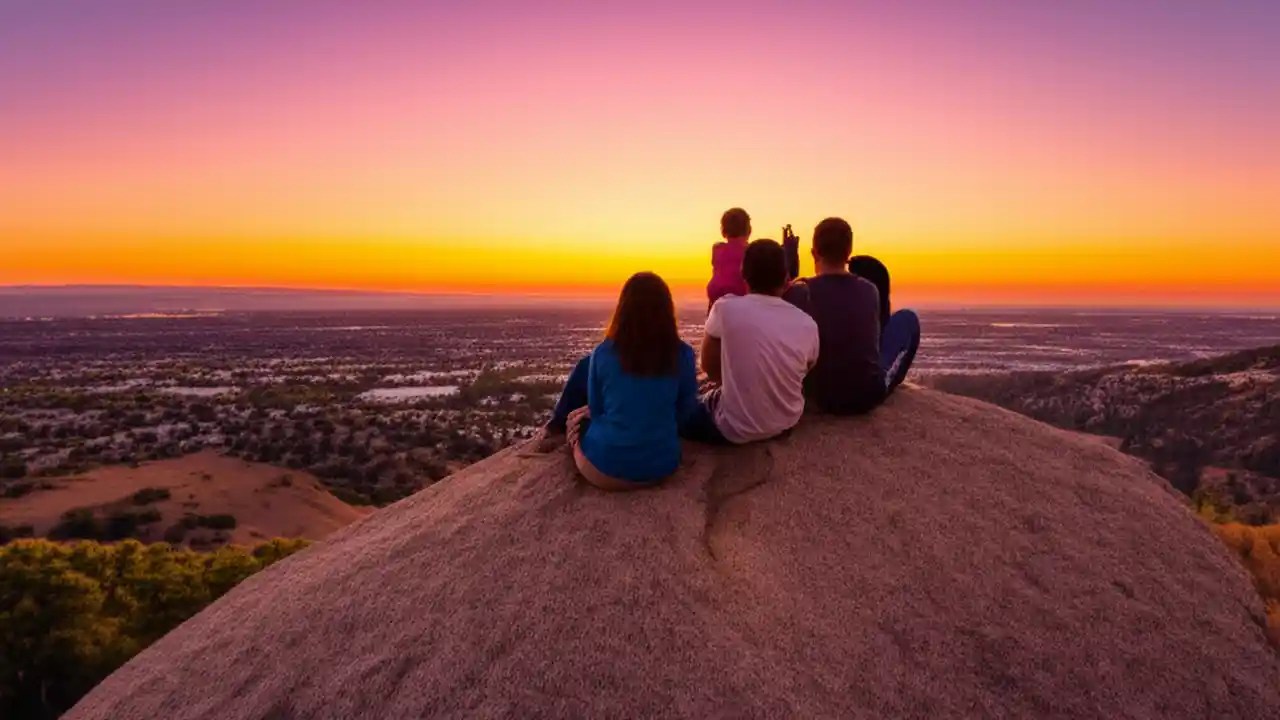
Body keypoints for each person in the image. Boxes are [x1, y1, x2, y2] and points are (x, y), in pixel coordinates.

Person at [539, 272, 699, 490]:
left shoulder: (602, 354)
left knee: (576, 425)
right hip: (661, 467)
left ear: (622, 310)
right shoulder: (683, 354)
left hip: (604, 470)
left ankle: (563, 434)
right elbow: (686, 411)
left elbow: (597, 410)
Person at [682, 239, 819, 444]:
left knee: (683, 410)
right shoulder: (807, 323)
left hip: (732, 429)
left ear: (743, 274)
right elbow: (806, 369)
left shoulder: (725, 308)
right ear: (786, 278)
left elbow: (709, 367)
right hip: (786, 420)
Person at [784, 217, 920, 414]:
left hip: (818, 395)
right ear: (848, 252)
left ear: (814, 253)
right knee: (908, 319)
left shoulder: (799, 292)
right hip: (865, 396)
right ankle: (891, 381)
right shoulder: (869, 290)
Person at [706, 207, 752, 310]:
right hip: (742, 305)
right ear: (748, 229)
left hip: (716, 301)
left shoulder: (717, 249)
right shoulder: (751, 252)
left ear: (723, 230)